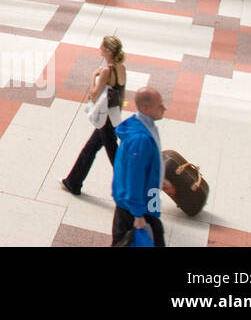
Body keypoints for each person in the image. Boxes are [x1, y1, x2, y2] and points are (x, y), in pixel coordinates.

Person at [61, 37, 127, 196]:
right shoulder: (121, 68)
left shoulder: (106, 71)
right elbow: (121, 92)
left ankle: (131, 188)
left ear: (108, 51)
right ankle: (73, 182)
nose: (99, 48)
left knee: (115, 157)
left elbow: (93, 95)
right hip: (114, 114)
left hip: (105, 120)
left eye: (102, 46)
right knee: (90, 149)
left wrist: (93, 77)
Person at [111, 87, 170, 247]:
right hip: (135, 207)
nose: (164, 108)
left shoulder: (144, 127)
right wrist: (137, 214)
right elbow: (134, 177)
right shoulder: (140, 140)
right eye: (160, 105)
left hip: (142, 202)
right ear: (146, 109)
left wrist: (157, 180)